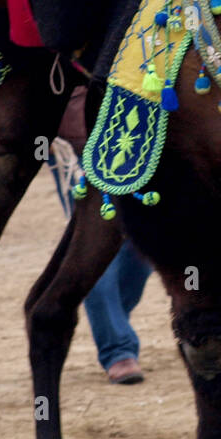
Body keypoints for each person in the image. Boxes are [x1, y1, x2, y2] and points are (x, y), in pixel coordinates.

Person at [49, 86, 153, 386]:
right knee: (93, 240)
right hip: (76, 134)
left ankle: (112, 316)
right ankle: (117, 348)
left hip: (138, 120)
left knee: (141, 235)